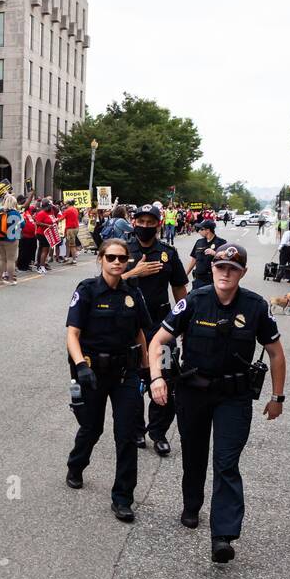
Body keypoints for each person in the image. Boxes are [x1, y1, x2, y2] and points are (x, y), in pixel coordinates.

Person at [147, 244, 285, 565]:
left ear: (242, 273)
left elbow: (276, 353)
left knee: (226, 462)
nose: (226, 273)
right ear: (213, 269)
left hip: (233, 397)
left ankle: (222, 535)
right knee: (194, 455)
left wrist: (277, 397)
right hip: (193, 392)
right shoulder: (195, 301)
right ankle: (192, 503)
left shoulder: (255, 307)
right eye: (221, 267)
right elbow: (158, 341)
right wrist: (157, 378)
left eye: (233, 269)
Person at [66, 238, 153, 522]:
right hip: (92, 371)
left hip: (125, 373)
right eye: (111, 258)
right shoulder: (87, 290)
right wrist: (81, 366)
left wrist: (147, 369)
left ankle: (123, 497)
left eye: (122, 258)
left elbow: (140, 332)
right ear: (100, 259)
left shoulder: (132, 293)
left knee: (126, 434)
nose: (117, 263)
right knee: (92, 428)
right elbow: (73, 334)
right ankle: (76, 465)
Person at [123, 204, 188, 456]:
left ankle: (158, 432)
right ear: (134, 222)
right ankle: (137, 429)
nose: (146, 226)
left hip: (163, 327)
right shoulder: (124, 251)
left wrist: (185, 324)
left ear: (159, 224)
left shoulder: (168, 254)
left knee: (166, 378)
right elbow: (107, 281)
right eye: (142, 221)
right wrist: (134, 272)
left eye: (151, 222)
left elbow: (180, 290)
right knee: (133, 380)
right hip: (130, 327)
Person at [186, 219, 226, 290]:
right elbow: (193, 260)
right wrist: (185, 274)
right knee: (194, 299)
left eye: (201, 229)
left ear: (208, 230)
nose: (199, 231)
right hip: (198, 280)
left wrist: (215, 254)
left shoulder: (221, 243)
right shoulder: (199, 242)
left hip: (212, 281)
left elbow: (227, 259)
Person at [0, 191, 22, 284]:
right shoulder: (15, 213)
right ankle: (11, 279)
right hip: (11, 238)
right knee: (11, 259)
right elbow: (22, 224)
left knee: (2, 258)